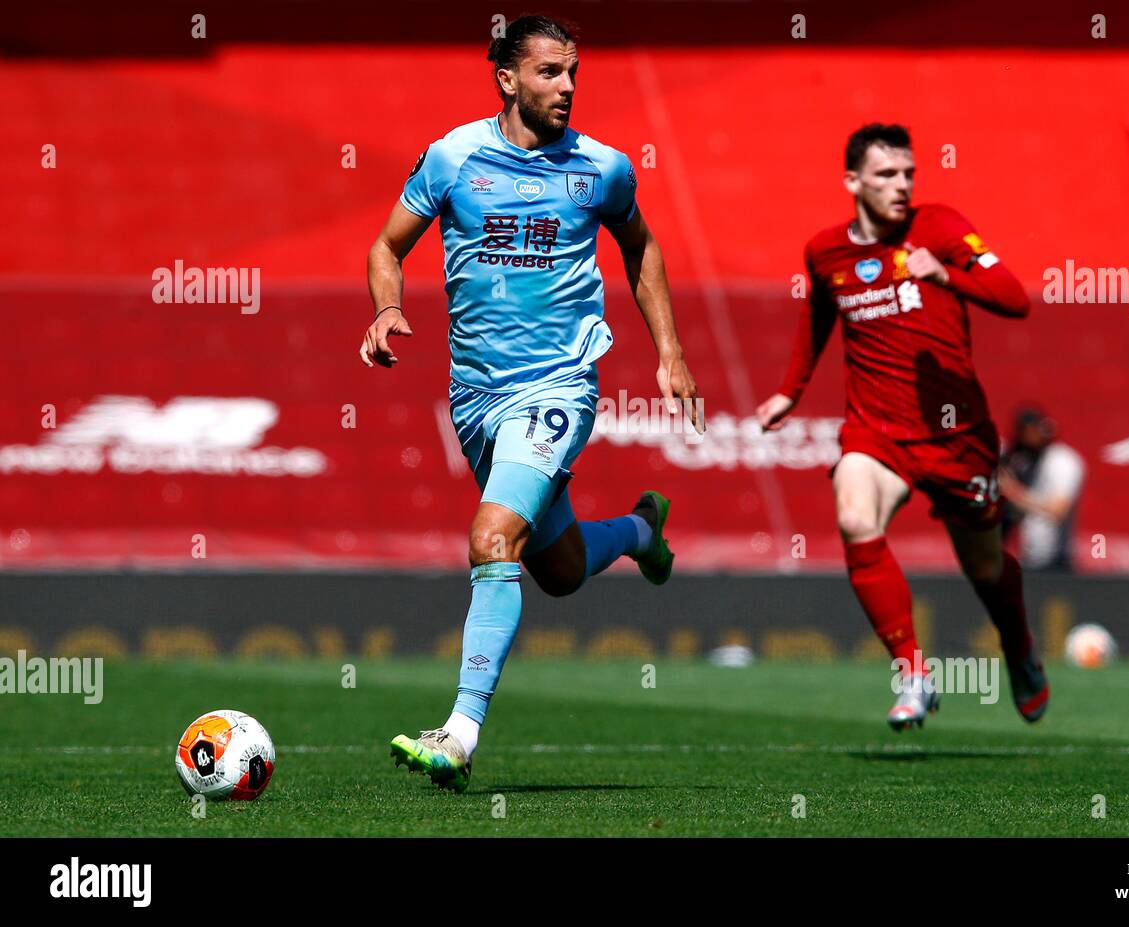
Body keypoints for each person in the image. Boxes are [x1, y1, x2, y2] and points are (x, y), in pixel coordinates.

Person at [361, 15, 705, 791]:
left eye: (574, 72)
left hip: (558, 388)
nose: (569, 87)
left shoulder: (602, 169)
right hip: (476, 398)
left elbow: (641, 244)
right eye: (550, 72)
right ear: (507, 80)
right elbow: (388, 246)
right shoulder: (453, 158)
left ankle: (458, 733)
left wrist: (671, 352)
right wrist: (386, 308)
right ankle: (642, 529)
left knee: (490, 538)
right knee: (557, 567)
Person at [757, 123, 1048, 729]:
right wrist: (790, 392)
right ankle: (914, 674)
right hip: (876, 430)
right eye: (887, 174)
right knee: (854, 516)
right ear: (852, 182)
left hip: (956, 436)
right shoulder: (825, 251)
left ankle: (1019, 646)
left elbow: (1015, 298)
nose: (902, 186)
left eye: (909, 174)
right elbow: (817, 318)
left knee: (986, 569)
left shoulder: (939, 227)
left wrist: (948, 277)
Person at [999, 406, 1085, 572]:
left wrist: (1014, 493)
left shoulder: (1062, 461)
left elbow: (1059, 510)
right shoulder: (1022, 463)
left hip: (1056, 561)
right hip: (1029, 559)